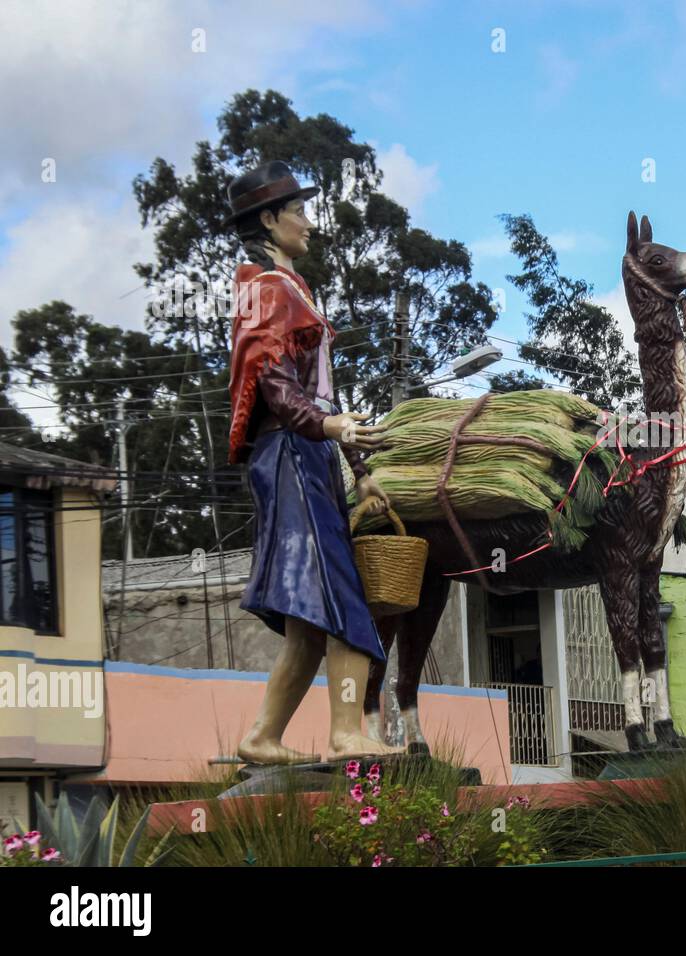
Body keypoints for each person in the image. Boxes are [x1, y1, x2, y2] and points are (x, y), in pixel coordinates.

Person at [224, 160, 401, 763]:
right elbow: (274, 383)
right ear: (269, 220)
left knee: (308, 613)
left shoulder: (286, 288)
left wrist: (358, 469)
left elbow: (318, 393)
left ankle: (262, 737)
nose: (307, 222)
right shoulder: (269, 290)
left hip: (309, 453)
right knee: (343, 601)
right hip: (293, 453)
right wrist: (327, 428)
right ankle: (347, 733)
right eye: (296, 211)